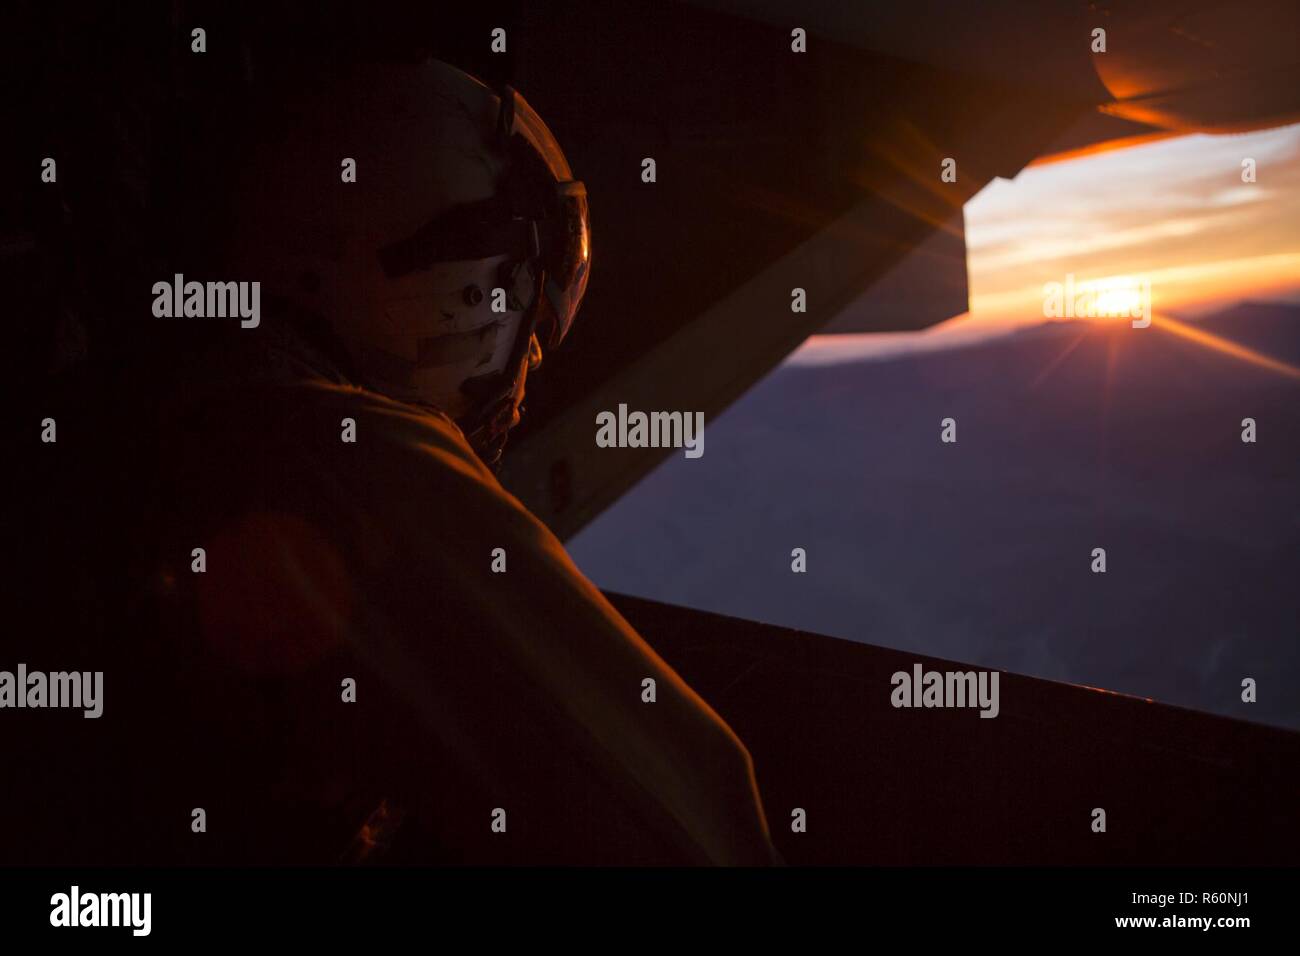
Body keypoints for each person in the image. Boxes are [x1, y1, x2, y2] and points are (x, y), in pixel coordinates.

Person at [12, 58, 777, 866]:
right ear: (473, 287)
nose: (524, 382)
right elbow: (675, 818)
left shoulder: (143, 415)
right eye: (535, 335)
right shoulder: (334, 457)